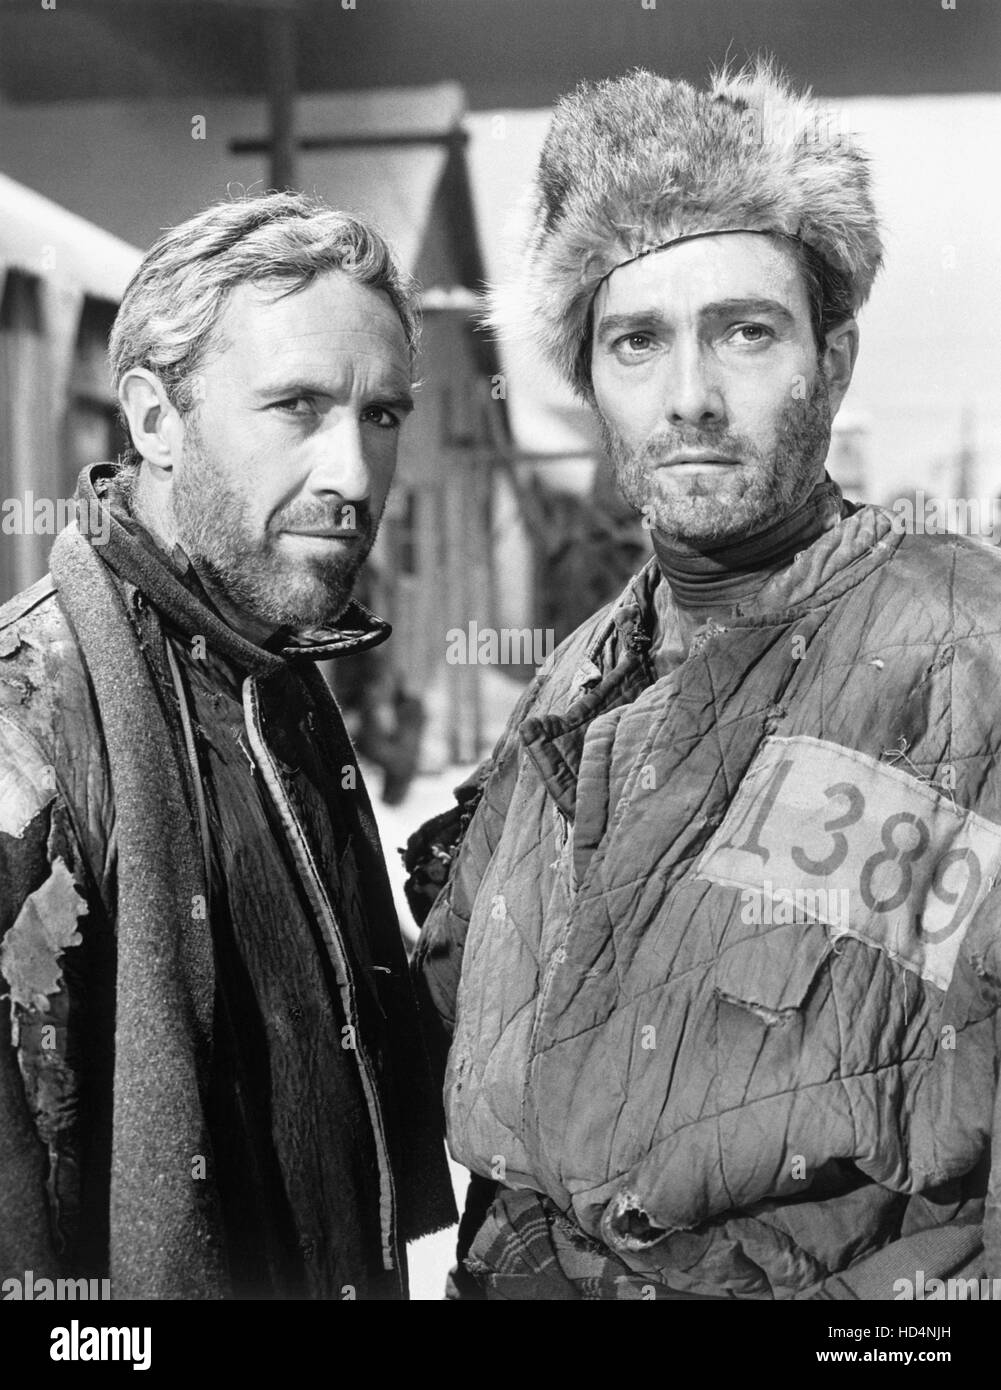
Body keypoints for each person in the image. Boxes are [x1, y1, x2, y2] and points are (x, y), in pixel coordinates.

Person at [410, 62, 1001, 1299]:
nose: (689, 397)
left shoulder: (967, 662)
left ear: (829, 361)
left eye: (744, 330)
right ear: (590, 387)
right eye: (636, 342)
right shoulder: (570, 687)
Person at [0, 192, 455, 1300]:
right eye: (296, 405)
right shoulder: (29, 726)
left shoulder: (275, 675)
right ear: (155, 420)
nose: (352, 473)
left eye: (382, 416)